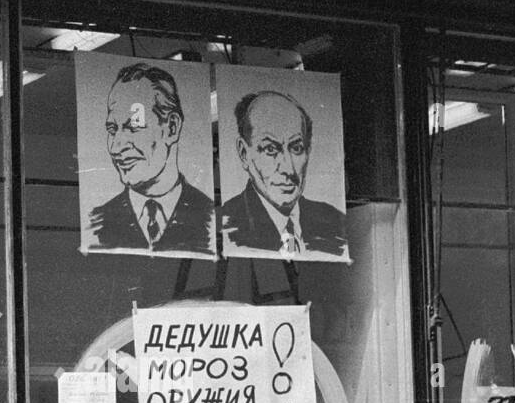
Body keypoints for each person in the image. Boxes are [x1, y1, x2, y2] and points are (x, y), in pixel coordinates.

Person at [86, 62, 215, 254]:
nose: (116, 147)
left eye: (133, 127)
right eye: (112, 129)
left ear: (172, 128)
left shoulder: (212, 217)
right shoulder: (97, 222)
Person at [220, 90, 346, 259]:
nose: (288, 168)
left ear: (308, 152)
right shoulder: (226, 222)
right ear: (244, 153)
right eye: (270, 149)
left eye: (296, 148)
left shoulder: (332, 221)